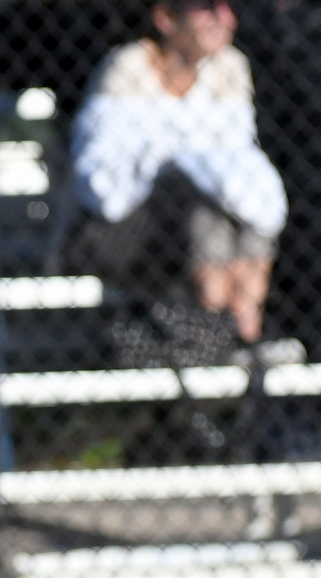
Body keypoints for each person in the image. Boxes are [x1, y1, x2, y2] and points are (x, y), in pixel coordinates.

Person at [69, 0, 284, 344]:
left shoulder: (230, 66)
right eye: (207, 8)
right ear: (167, 18)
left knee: (247, 203)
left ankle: (243, 328)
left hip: (208, 224)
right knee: (199, 205)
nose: (224, 19)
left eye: (229, 8)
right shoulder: (128, 67)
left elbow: (236, 161)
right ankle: (216, 328)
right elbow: (105, 183)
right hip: (118, 230)